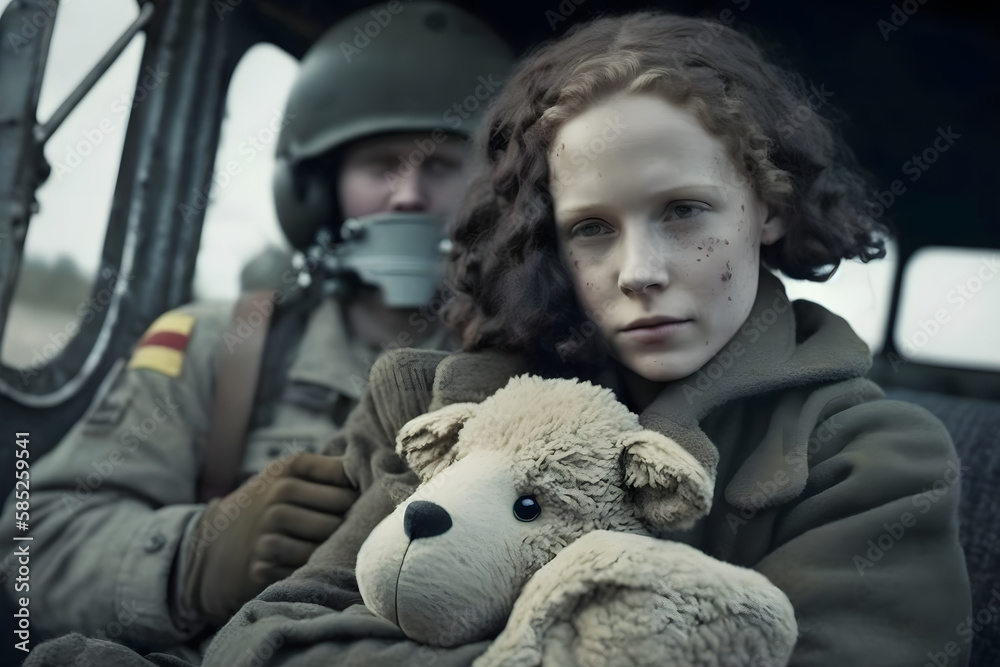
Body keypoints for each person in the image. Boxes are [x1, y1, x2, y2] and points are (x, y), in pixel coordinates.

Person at [21, 8, 972, 667]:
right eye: (591, 227)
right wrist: (196, 559)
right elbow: (251, 633)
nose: (640, 270)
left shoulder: (869, 453)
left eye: (685, 211)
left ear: (766, 207)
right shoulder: (435, 394)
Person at [0, 1, 513, 662]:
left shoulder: (532, 365)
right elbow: (27, 547)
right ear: (318, 189)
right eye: (381, 165)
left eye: (441, 165)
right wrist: (196, 555)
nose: (407, 195)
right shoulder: (216, 346)